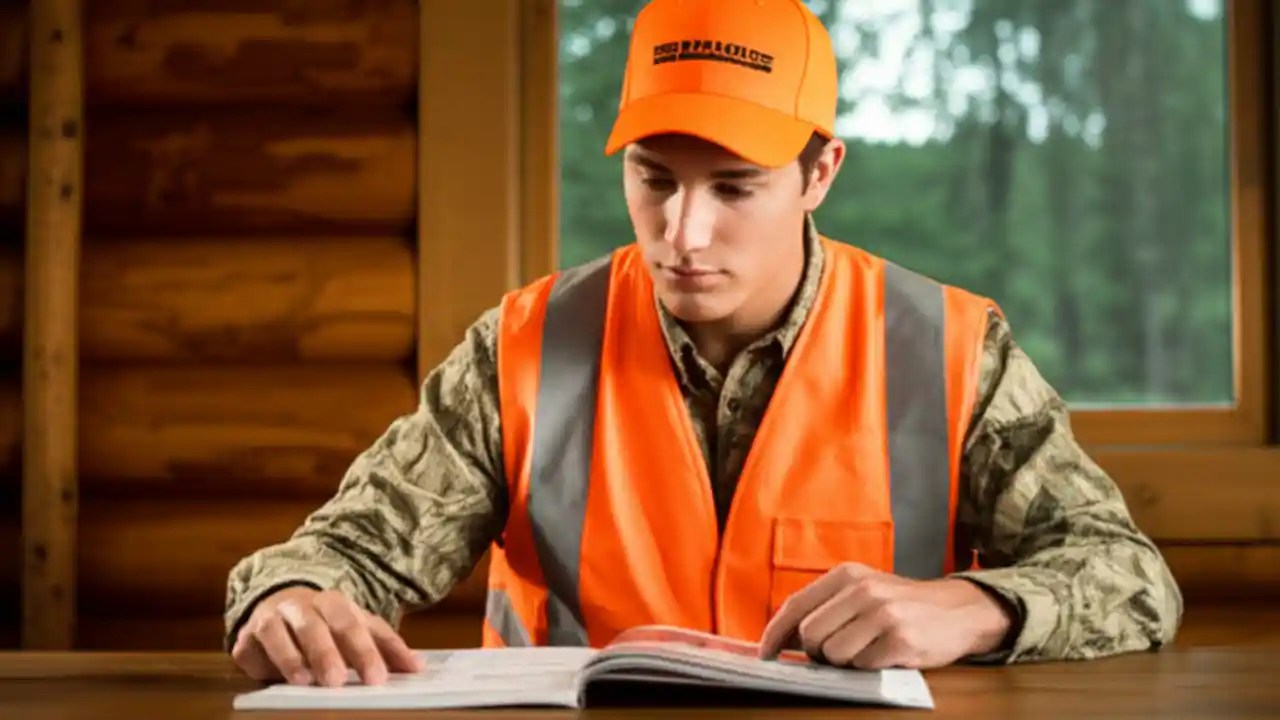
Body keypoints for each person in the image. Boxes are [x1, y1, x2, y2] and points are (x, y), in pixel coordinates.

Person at [225, 0, 1182, 688]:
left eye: (733, 187)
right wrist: (293, 596)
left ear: (820, 173)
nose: (682, 234)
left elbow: (1131, 577)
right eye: (654, 179)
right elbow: (343, 552)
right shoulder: (523, 344)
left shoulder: (953, 349)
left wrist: (978, 609)